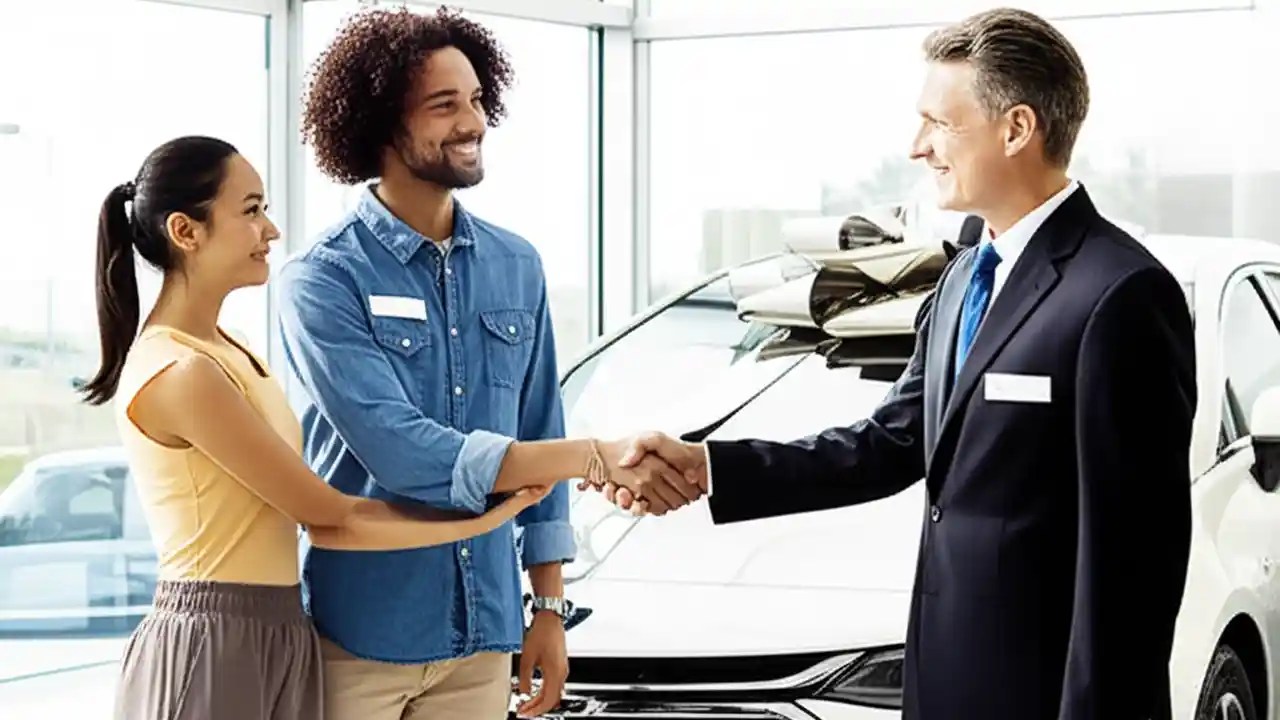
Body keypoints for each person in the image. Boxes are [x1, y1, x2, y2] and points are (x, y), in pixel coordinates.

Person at [591, 8, 1196, 720]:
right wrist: (708, 467)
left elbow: (1132, 571)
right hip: (943, 680)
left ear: (1017, 128)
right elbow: (890, 444)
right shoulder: (964, 275)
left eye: (941, 123)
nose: (919, 147)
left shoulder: (1120, 295)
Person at [277, 8, 695, 720]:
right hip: (358, 638)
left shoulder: (515, 264)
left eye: (475, 100)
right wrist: (591, 456)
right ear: (380, 123)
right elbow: (401, 449)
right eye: (444, 105)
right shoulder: (322, 279)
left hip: (484, 635)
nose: (471, 122)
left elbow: (539, 423)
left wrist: (550, 608)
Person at [81, 136, 559, 720]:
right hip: (216, 641)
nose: (271, 231)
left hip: (276, 631)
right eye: (251, 210)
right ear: (187, 231)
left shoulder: (231, 351)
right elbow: (335, 516)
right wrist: (489, 516)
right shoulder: (182, 373)